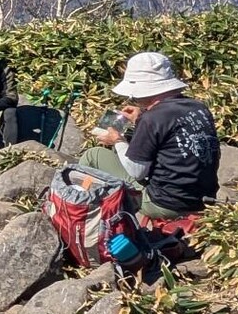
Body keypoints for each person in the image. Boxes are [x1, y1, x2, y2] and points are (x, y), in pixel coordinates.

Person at [79, 51, 221, 225]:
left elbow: (136, 171)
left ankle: (81, 214)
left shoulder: (153, 118)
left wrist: (117, 140)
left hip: (163, 203)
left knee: (93, 155)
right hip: (202, 200)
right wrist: (141, 117)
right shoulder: (198, 108)